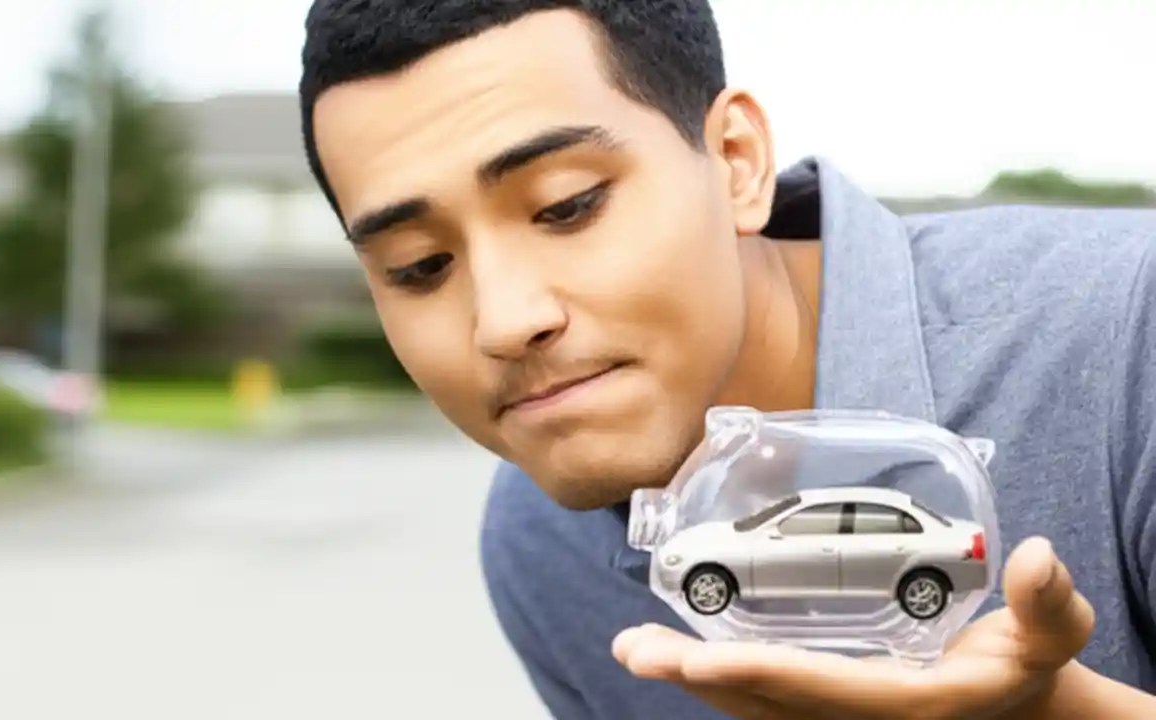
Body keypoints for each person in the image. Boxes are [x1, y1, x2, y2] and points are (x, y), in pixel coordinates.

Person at [297, 2, 1156, 717]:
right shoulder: (538, 538)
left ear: (738, 163)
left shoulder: (1128, 335)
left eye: (566, 208)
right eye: (419, 266)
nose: (505, 320)